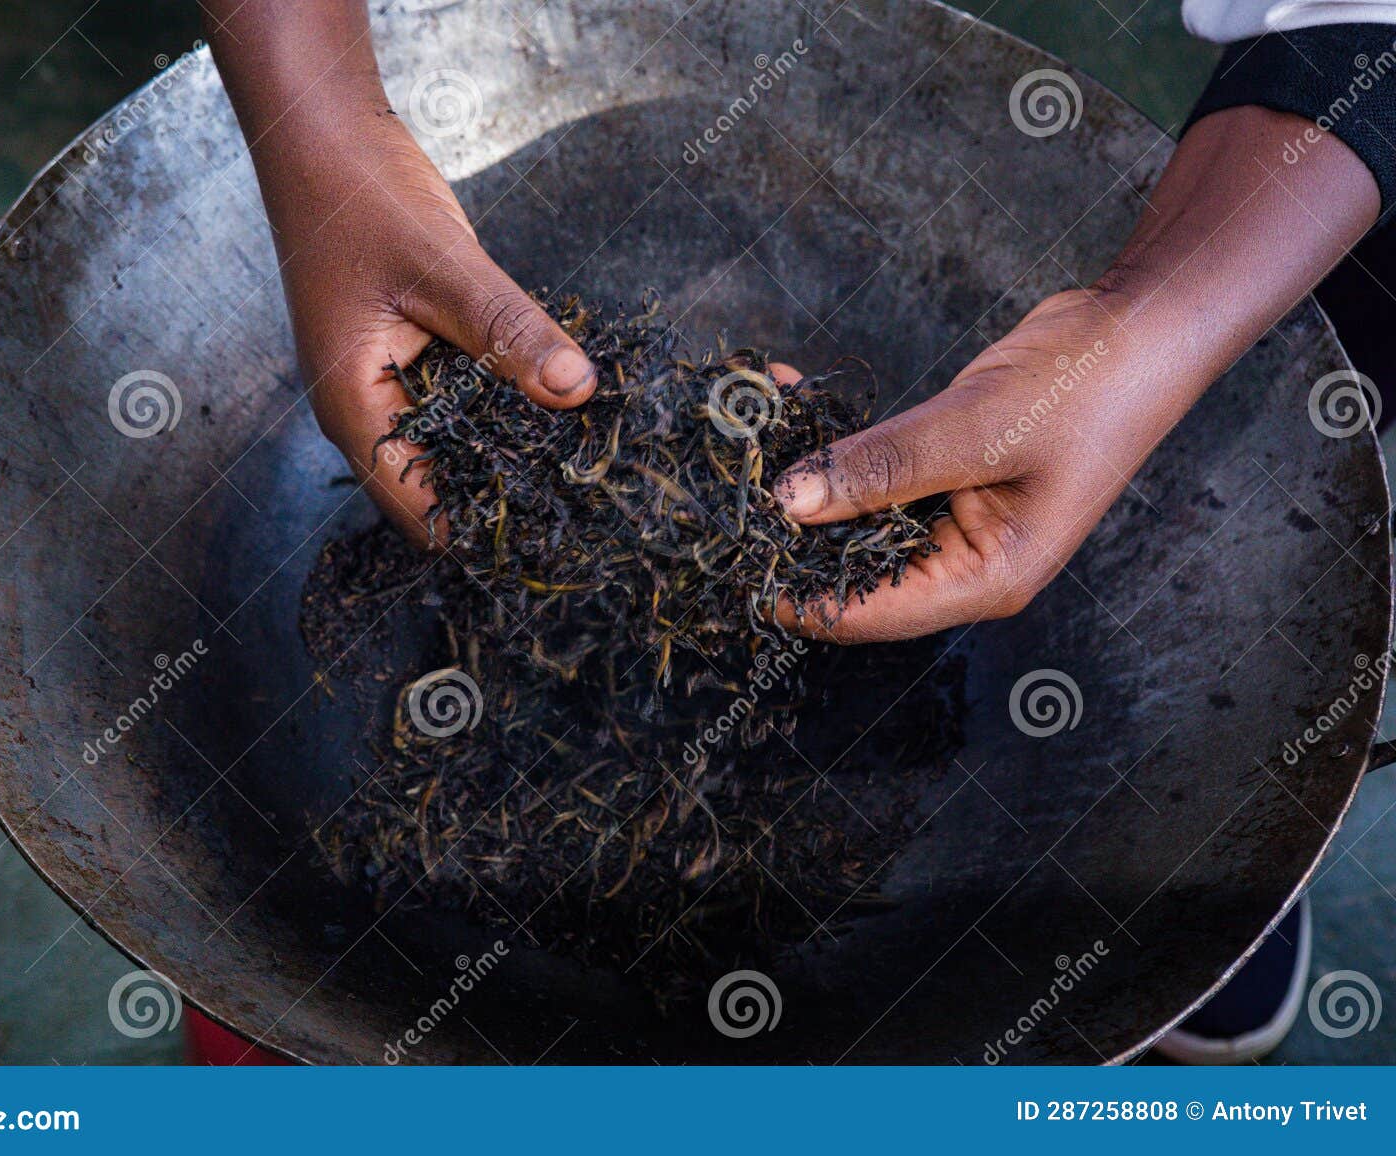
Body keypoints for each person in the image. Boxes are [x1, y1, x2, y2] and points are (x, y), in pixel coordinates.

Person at [203, 0, 1396, 1063]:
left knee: (1230, 476)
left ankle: (1196, 871)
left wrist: (1149, 321)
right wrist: (322, 126)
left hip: (1291, 168)